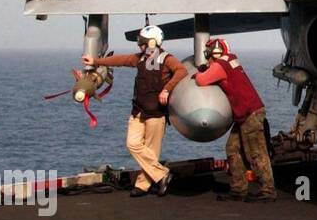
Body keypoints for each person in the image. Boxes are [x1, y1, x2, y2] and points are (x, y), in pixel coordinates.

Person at [82, 25, 186, 197]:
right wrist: (96, 61)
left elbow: (181, 71)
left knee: (151, 152)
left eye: (142, 43)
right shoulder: (140, 59)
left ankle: (143, 185)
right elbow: (120, 60)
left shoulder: (167, 59)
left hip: (156, 113)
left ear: (153, 42)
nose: (140, 46)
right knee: (133, 144)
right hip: (138, 111)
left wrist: (166, 89)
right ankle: (162, 174)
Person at [194, 37, 276, 203]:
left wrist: (200, 72)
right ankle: (239, 189)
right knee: (233, 148)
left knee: (256, 153)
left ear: (215, 51)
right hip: (247, 114)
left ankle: (268, 191)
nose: (208, 55)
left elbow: (201, 80)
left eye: (210, 52)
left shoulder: (221, 65)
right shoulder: (230, 59)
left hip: (249, 114)